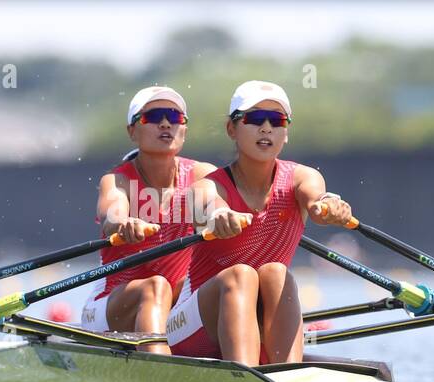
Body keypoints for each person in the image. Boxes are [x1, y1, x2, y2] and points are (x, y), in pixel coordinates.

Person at [165, 80, 354, 365]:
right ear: (232, 129)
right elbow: (208, 204)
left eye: (277, 121)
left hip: (258, 320)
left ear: (286, 133)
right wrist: (218, 215)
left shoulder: (302, 177)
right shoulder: (206, 186)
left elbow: (317, 200)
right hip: (194, 330)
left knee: (276, 272)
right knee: (241, 274)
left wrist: (328, 207)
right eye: (254, 118)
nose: (267, 127)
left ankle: (289, 378)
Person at [81, 86, 216, 353]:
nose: (165, 123)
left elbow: (214, 204)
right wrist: (123, 223)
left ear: (184, 129)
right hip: (111, 304)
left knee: (218, 281)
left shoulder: (203, 175)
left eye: (175, 117)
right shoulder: (117, 180)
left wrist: (220, 216)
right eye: (153, 116)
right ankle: (161, 381)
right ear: (132, 131)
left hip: (175, 303)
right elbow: (112, 212)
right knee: (155, 286)